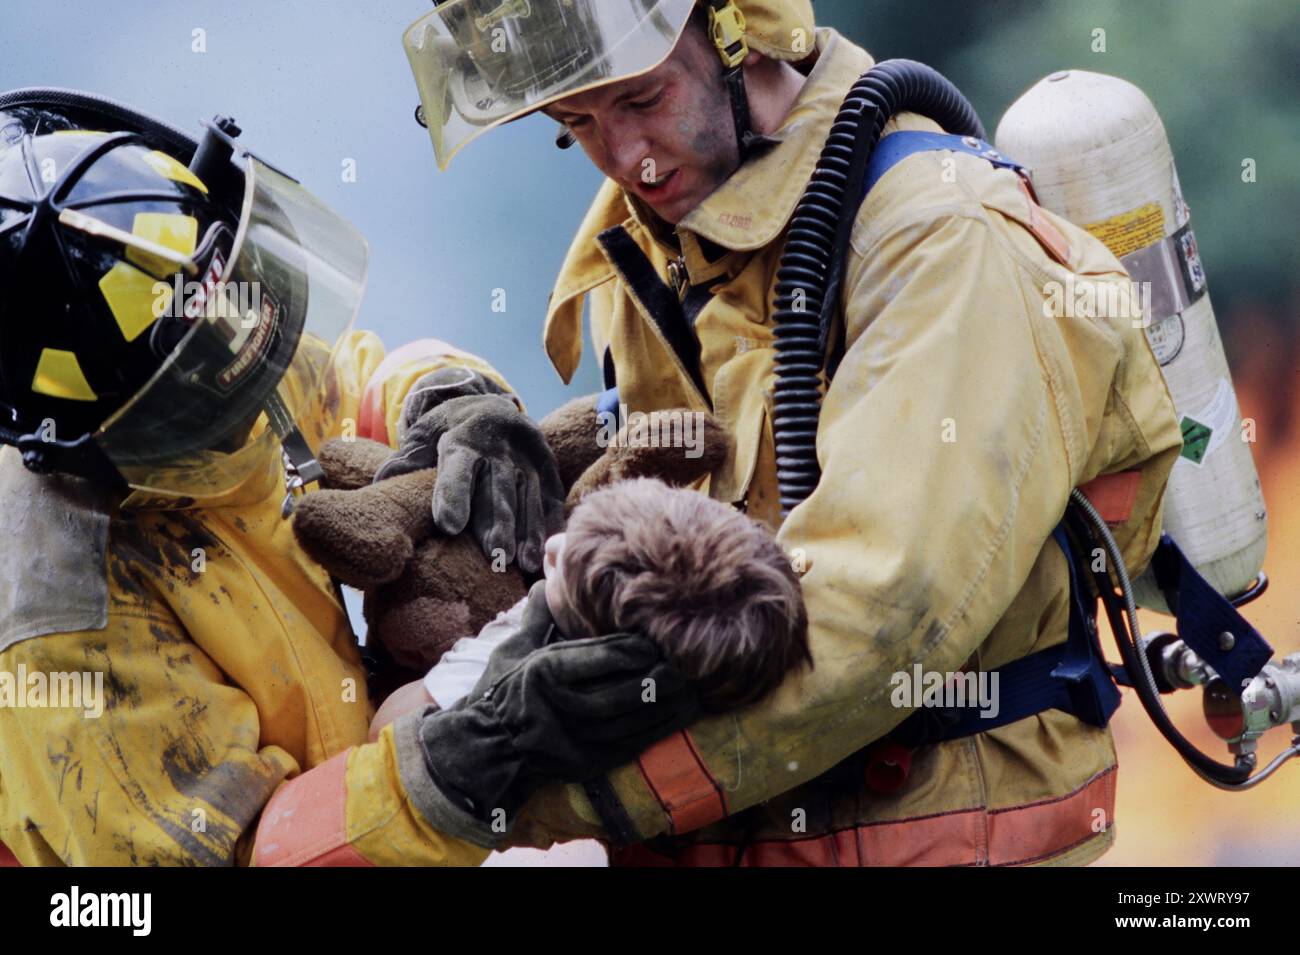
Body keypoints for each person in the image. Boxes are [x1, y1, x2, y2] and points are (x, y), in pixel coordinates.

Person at [389, 0, 1185, 866]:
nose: (625, 159)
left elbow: (871, 620)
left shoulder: (939, 240)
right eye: (576, 123)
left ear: (743, 35)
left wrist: (503, 782)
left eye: (644, 101)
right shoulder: (656, 243)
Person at [0, 90, 698, 866]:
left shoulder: (211, 331)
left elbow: (349, 380)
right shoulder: (58, 621)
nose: (251, 383)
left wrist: (449, 397)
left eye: (239, 315)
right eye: (204, 396)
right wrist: (452, 763)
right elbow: (223, 859)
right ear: (82, 442)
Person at [369, 476, 812, 737]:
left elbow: (386, 730)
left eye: (560, 567)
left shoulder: (514, 663)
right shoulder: (708, 683)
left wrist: (514, 626)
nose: (552, 543)